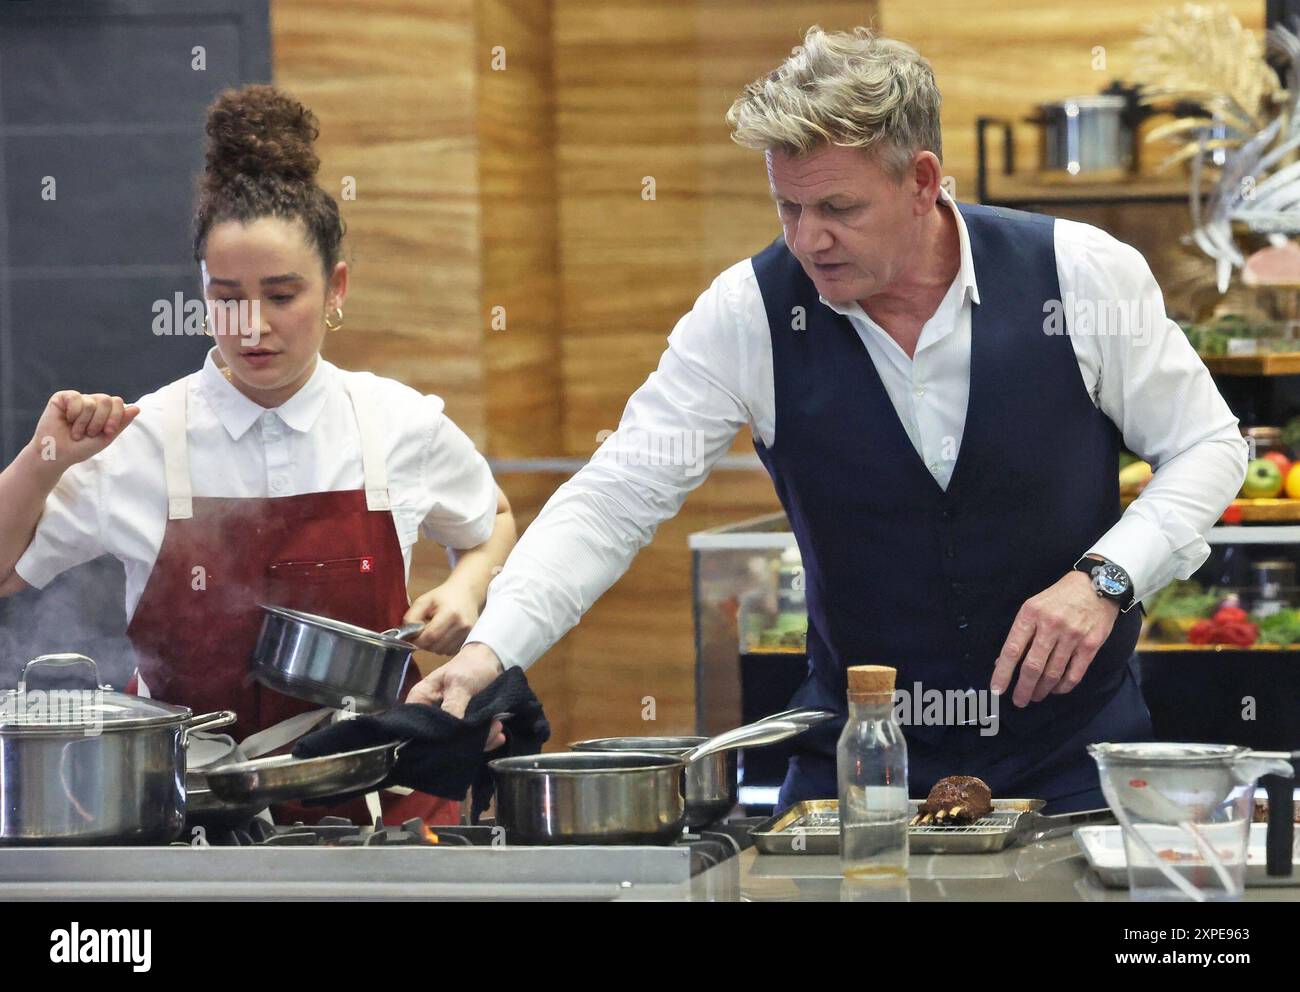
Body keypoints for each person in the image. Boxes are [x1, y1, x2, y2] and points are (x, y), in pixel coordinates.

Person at [406, 28, 1247, 814]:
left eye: (838, 209)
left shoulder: (1082, 275)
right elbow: (616, 494)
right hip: (857, 762)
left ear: (922, 182)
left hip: (1077, 759)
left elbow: (1208, 445)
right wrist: (492, 650)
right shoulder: (747, 314)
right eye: (787, 209)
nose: (809, 241)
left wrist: (1106, 579)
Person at [0, 85, 514, 826]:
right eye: (227, 296)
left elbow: (492, 518)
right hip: (195, 815)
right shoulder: (146, 436)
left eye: (281, 295)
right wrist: (44, 458)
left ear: (336, 288)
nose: (253, 327)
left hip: (382, 806)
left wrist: (468, 589)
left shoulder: (393, 421)